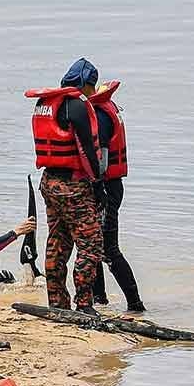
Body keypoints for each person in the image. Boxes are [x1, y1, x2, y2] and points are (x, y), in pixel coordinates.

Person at [25, 58, 104, 315]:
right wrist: (98, 184)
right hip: (74, 185)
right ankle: (84, 305)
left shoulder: (46, 103)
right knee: (90, 245)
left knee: (57, 242)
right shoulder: (76, 106)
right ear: (86, 84)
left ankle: (57, 303)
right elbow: (87, 150)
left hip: (49, 182)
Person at [89, 80, 145, 313]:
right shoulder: (106, 106)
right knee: (92, 245)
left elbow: (100, 158)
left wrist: (97, 189)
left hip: (106, 187)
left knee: (109, 249)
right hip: (110, 185)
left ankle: (135, 305)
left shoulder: (100, 114)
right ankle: (99, 300)